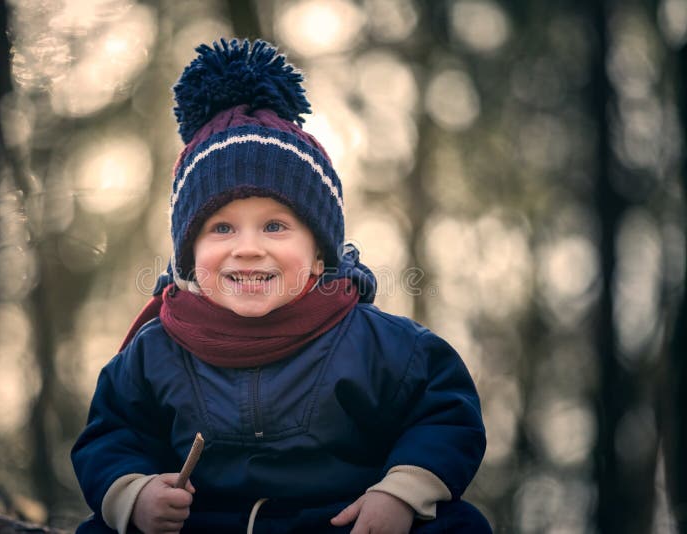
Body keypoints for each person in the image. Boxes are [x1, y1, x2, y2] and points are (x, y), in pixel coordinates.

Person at [71, 38, 490, 534]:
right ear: (187, 255)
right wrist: (134, 494)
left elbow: (443, 413)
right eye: (221, 228)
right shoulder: (156, 350)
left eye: (275, 226)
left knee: (459, 525)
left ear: (319, 256)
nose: (247, 248)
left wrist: (398, 495)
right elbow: (111, 435)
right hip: (206, 525)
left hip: (339, 522)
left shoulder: (380, 344)